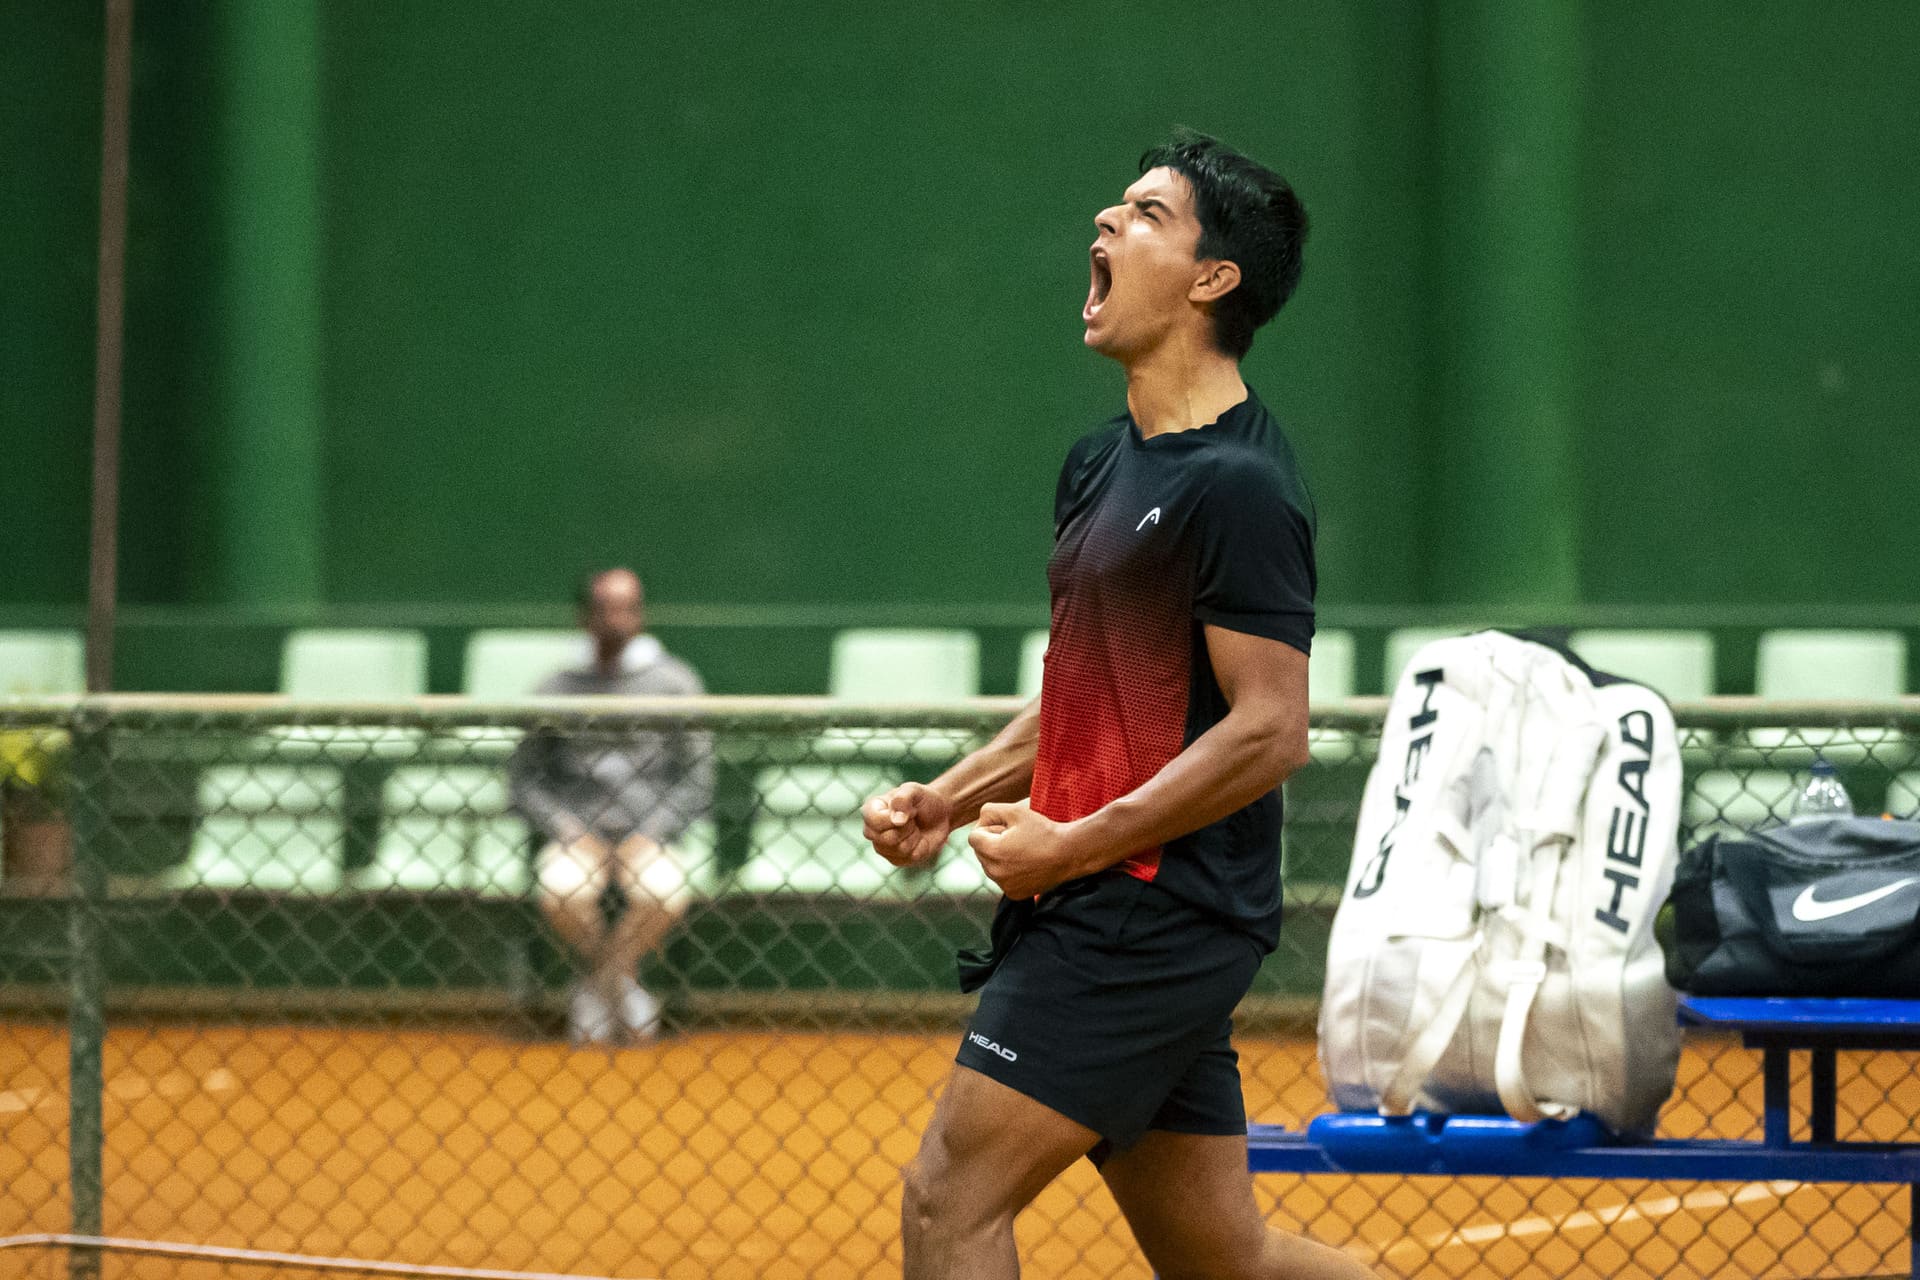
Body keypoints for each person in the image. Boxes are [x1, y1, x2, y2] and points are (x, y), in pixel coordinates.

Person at [863, 130, 1374, 1280]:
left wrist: (1072, 844)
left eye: (1147, 214)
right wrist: (950, 796)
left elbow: (1270, 726)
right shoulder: (1102, 464)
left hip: (1152, 907)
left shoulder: (1240, 487)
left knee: (951, 1196)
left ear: (1212, 280)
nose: (1106, 220)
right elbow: (1086, 690)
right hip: (1111, 894)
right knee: (1221, 1255)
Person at [509, 568, 713, 1045]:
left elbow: (697, 777)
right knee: (560, 890)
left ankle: (603, 983)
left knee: (663, 893)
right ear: (584, 616)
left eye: (626, 608)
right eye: (604, 609)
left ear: (640, 616)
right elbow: (524, 778)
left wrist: (657, 826)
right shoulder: (555, 687)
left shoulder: (674, 682)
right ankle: (620, 985)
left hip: (650, 835)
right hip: (576, 834)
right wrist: (563, 825)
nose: (615, 620)